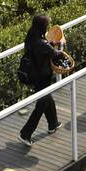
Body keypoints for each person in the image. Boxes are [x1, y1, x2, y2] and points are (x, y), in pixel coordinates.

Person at [18, 13, 65, 145]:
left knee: (47, 98)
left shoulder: (30, 39)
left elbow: (43, 49)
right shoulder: (42, 43)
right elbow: (57, 55)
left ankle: (53, 124)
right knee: (41, 104)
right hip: (42, 76)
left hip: (34, 76)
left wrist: (49, 44)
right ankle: (25, 134)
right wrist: (60, 44)